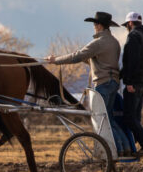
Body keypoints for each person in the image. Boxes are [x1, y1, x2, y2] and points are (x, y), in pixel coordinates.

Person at [46, 11, 132, 156]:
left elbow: (77, 56)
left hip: (103, 83)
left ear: (99, 26)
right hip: (113, 82)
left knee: (103, 120)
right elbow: (102, 61)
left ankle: (120, 149)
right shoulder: (114, 42)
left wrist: (56, 60)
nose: (93, 27)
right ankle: (125, 147)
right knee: (109, 118)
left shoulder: (99, 43)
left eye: (94, 24)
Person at [120, 11, 143, 155]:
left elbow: (131, 62)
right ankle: (134, 144)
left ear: (130, 23)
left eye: (126, 25)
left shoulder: (133, 36)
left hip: (134, 82)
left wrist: (127, 81)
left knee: (128, 117)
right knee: (136, 117)